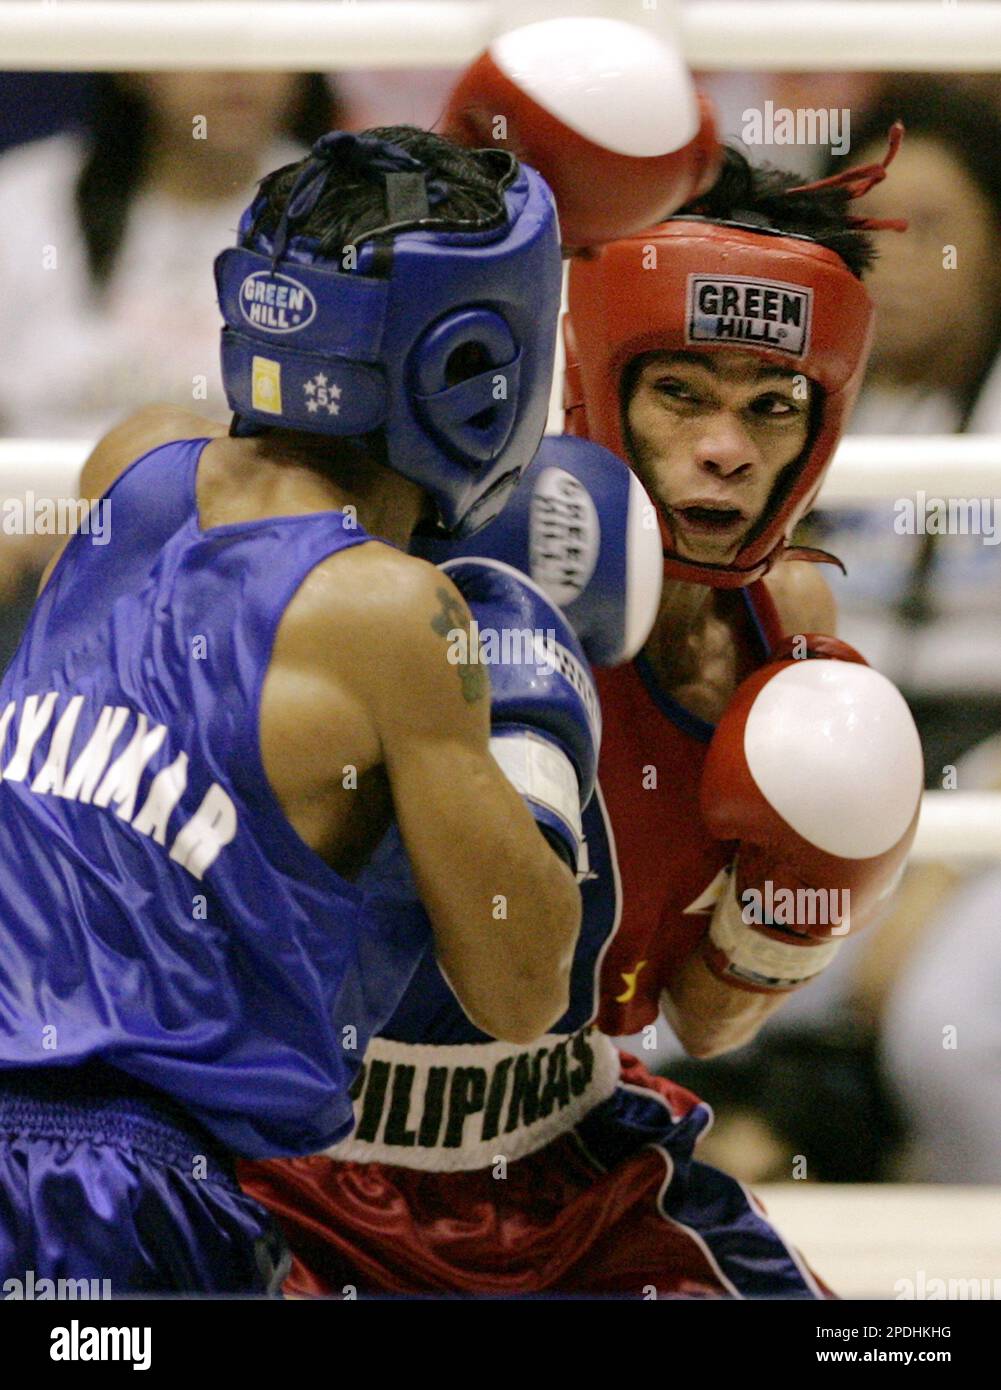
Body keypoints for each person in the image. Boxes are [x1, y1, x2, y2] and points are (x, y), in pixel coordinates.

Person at [239, 137, 924, 1297]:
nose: (723, 449)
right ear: (600, 380)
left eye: (769, 407)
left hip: (568, 1158)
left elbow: (704, 1023)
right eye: (680, 395)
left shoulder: (788, 638)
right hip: (306, 1164)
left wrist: (792, 910)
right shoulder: (428, 546)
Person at [0, 127, 595, 1294]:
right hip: (105, 1191)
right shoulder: (392, 612)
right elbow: (522, 987)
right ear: (476, 359)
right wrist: (531, 730)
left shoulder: (131, 466)